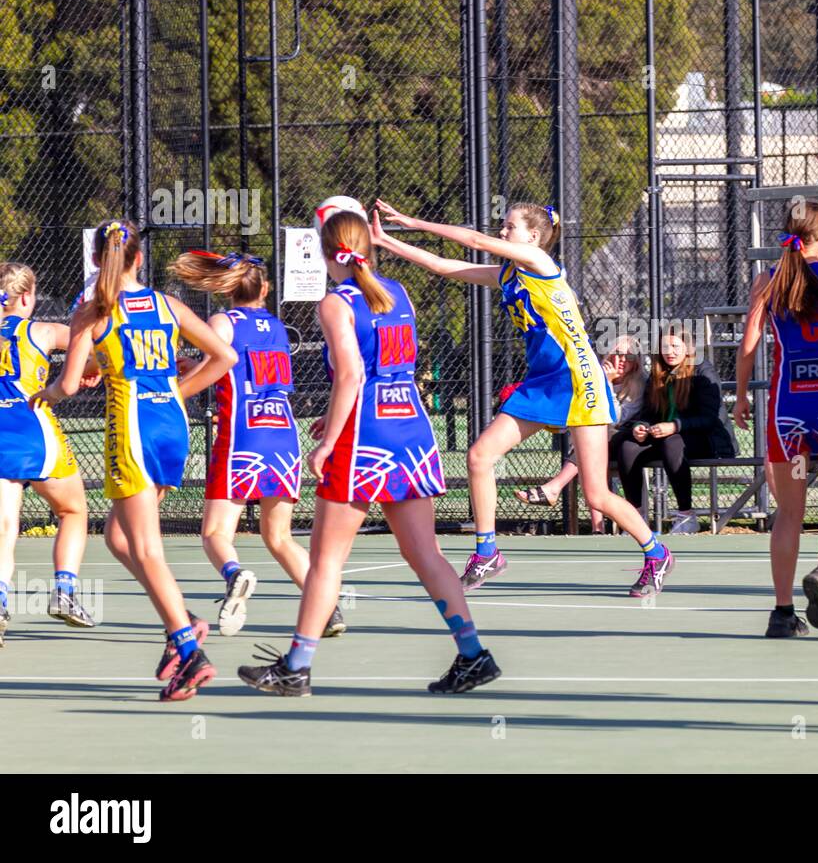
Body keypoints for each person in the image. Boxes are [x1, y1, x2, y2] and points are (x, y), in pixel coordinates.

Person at [238, 209, 498, 696]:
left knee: (326, 559)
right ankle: (472, 654)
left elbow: (353, 376)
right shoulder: (399, 295)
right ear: (368, 248)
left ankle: (297, 665)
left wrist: (329, 441)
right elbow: (385, 371)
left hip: (364, 441)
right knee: (426, 554)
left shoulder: (337, 304)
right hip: (411, 431)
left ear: (325, 253)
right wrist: (337, 418)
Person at [372, 199, 674, 597]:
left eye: (509, 226)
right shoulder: (510, 274)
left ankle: (657, 553)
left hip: (580, 380)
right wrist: (386, 241)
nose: (501, 232)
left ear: (532, 236)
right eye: (503, 226)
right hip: (544, 381)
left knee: (596, 495)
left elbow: (472, 238)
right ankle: (487, 552)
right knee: (480, 456)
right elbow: (444, 267)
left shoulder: (538, 262)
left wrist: (412, 222)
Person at [34, 219, 237, 701]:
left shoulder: (93, 310)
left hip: (131, 431)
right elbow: (224, 356)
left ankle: (188, 650)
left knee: (145, 547)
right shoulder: (167, 305)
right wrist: (173, 389)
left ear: (94, 260)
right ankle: (182, 619)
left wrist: (45, 394)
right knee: (118, 537)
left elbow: (65, 385)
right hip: (172, 426)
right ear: (138, 259)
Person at [168, 250, 346, 638]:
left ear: (229, 287)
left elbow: (223, 362)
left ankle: (235, 575)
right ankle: (328, 608)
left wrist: (180, 385)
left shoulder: (222, 321)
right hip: (284, 436)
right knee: (279, 537)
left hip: (243, 436)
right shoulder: (278, 327)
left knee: (216, 533)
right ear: (265, 289)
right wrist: (194, 365)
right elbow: (232, 363)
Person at [734, 201, 818, 637]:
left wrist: (739, 397)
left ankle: (782, 612)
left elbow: (749, 345)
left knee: (789, 513)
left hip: (789, 407)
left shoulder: (768, 281)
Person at [0, 262, 96, 644]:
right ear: (26, 297)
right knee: (73, 510)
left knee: (6, 526)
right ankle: (65, 590)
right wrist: (91, 366)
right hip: (33, 431)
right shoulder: (42, 330)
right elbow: (89, 343)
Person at [514, 335, 646, 533]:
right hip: (597, 438)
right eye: (617, 354)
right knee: (587, 442)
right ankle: (597, 528)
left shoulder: (638, 384)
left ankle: (555, 488)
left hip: (624, 439)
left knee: (591, 443)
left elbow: (615, 418)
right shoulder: (593, 375)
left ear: (636, 363)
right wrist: (602, 381)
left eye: (630, 357)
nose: (622, 361)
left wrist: (607, 385)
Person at [612, 326, 735, 535]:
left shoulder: (703, 370)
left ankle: (686, 515)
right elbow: (649, 413)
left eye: (675, 346)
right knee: (628, 447)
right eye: (665, 347)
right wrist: (639, 426)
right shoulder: (658, 373)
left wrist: (675, 426)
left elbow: (709, 418)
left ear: (688, 348)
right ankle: (636, 517)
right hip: (665, 438)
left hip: (706, 439)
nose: (670, 352)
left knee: (673, 442)